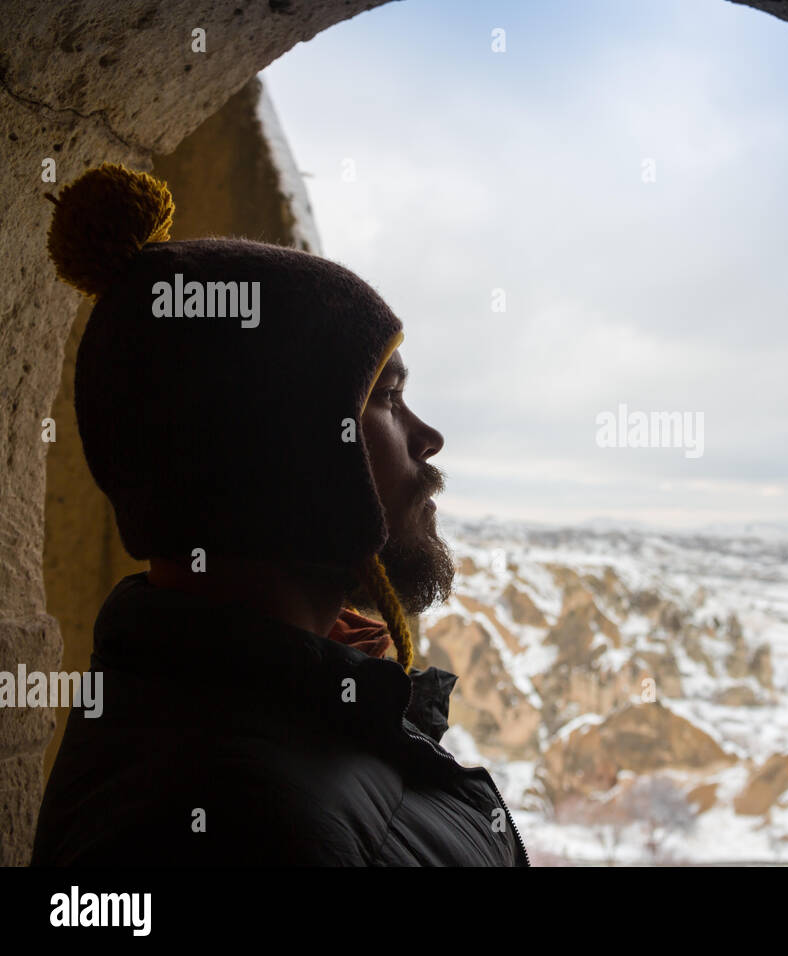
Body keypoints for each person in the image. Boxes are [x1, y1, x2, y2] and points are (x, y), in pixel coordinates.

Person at [31, 162, 529, 866]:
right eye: (387, 397)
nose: (428, 437)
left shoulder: (299, 703)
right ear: (285, 447)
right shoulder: (230, 827)